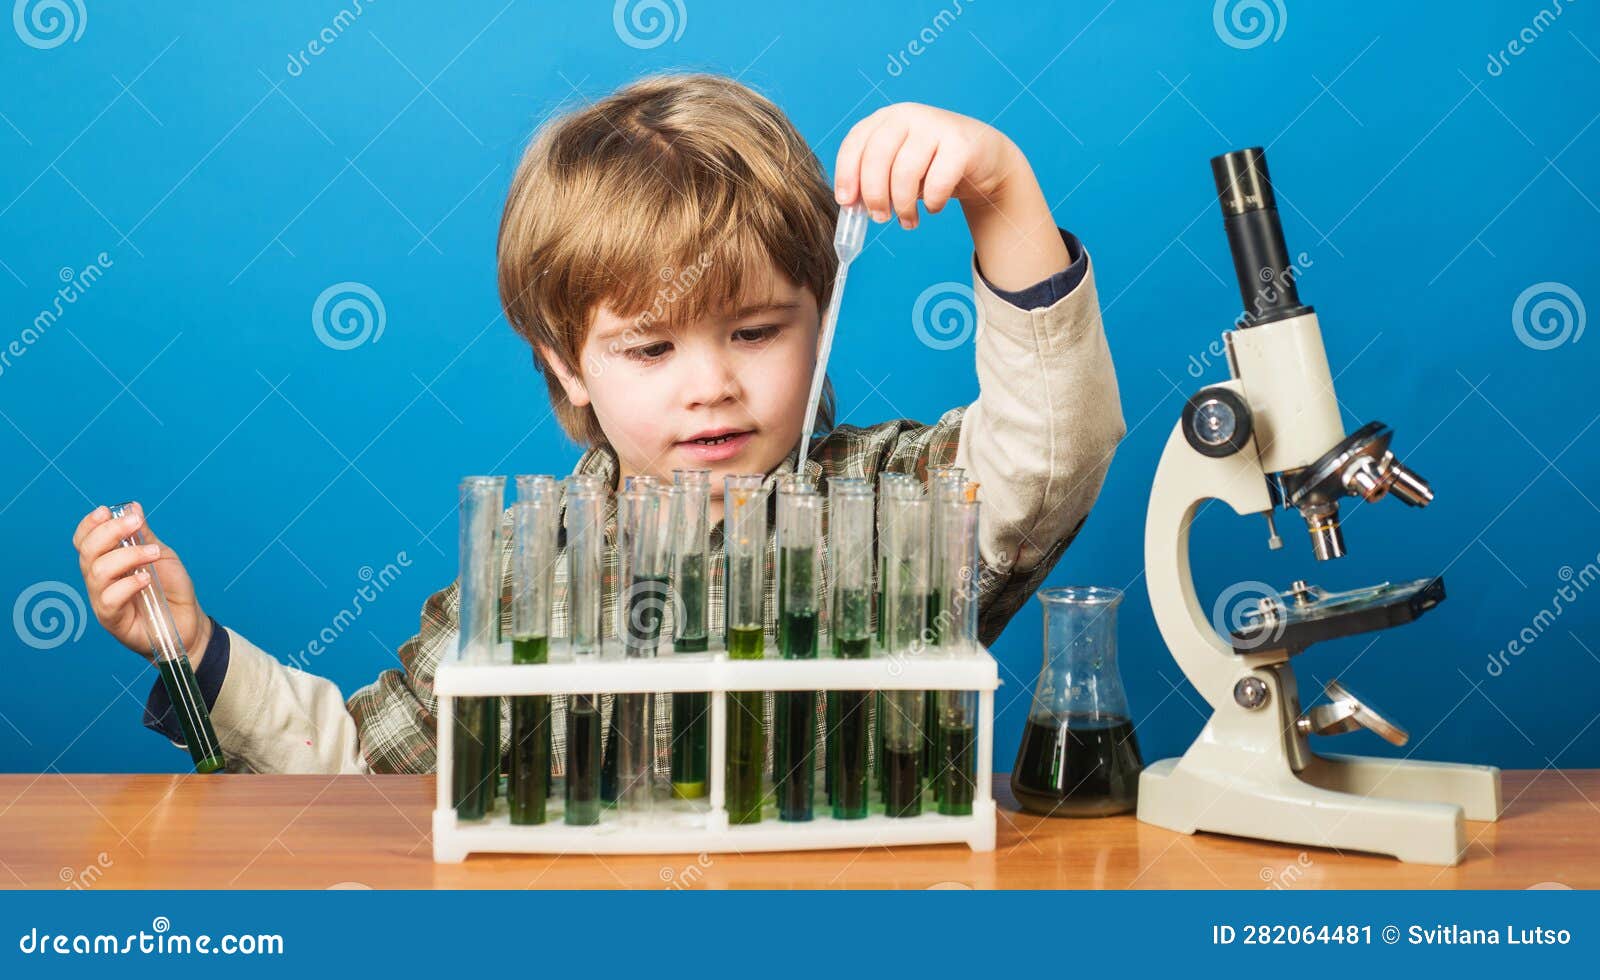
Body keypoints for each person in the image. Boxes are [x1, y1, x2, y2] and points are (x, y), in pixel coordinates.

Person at [72, 73, 1125, 775]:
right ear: (566, 364)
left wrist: (998, 189)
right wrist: (196, 648)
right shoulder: (528, 567)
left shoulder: (892, 507)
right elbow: (369, 770)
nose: (710, 385)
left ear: (822, 316)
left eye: (756, 331)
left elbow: (1049, 455)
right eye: (650, 348)